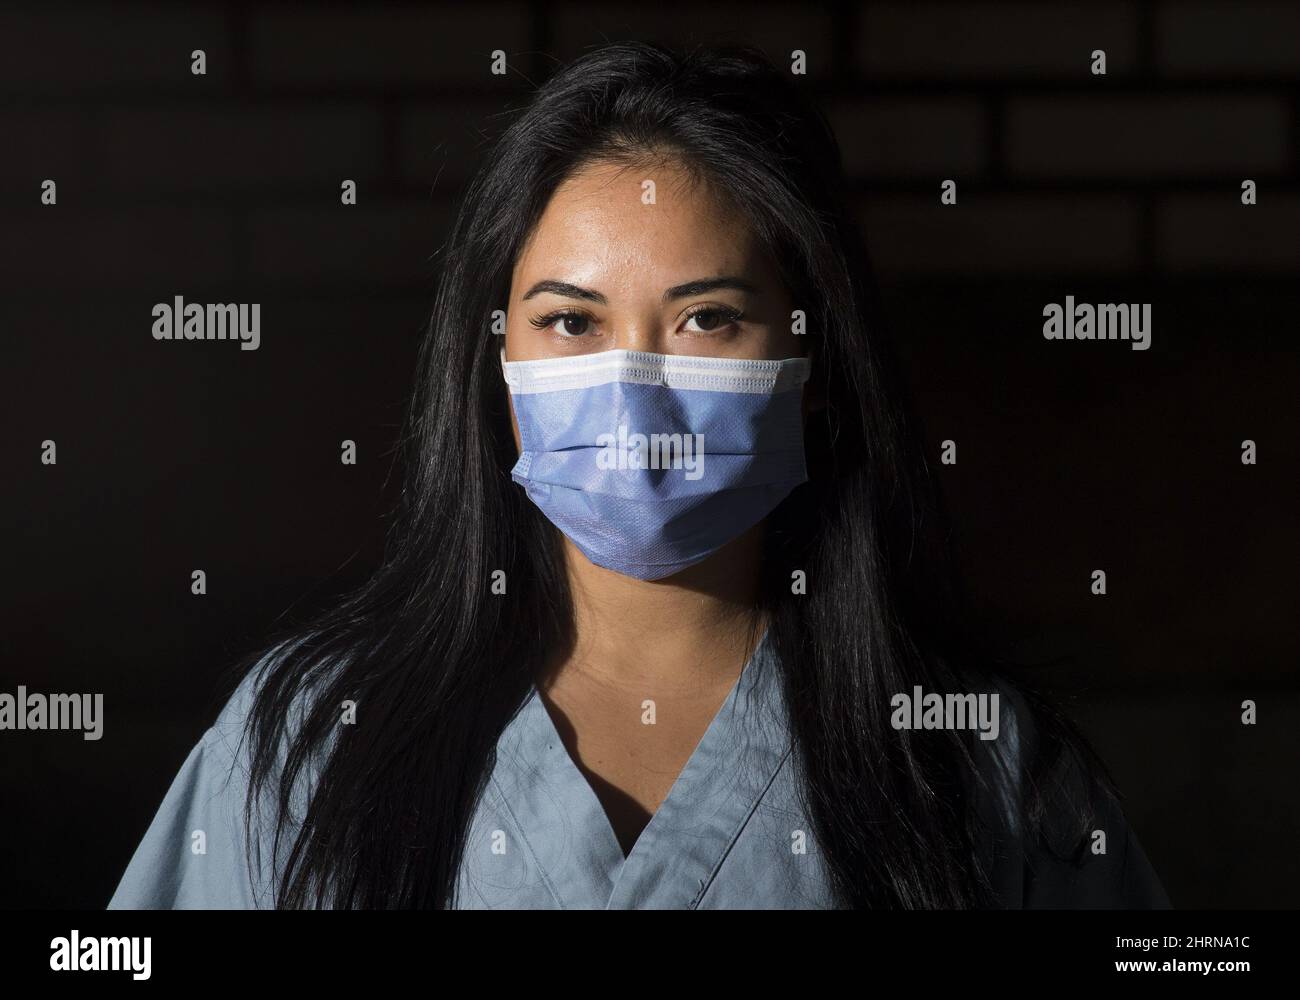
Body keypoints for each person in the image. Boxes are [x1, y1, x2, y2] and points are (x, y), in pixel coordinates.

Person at [108, 41, 1169, 910]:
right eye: (571, 321)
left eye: (707, 318)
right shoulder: (302, 741)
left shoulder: (975, 765)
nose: (634, 397)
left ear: (811, 368)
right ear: (496, 364)